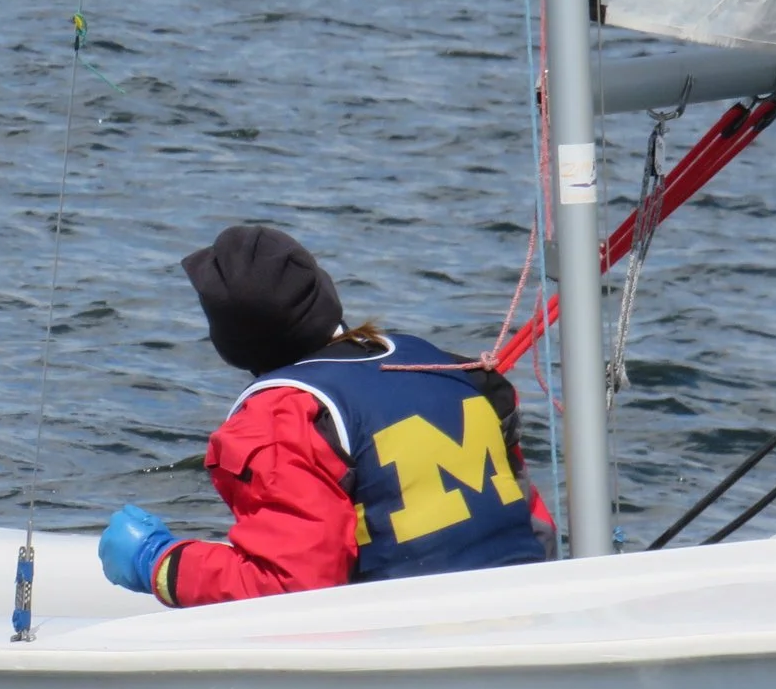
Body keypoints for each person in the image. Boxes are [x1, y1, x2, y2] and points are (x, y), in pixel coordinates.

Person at [99, 226, 554, 606]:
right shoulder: (438, 361)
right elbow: (537, 525)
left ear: (230, 342)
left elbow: (291, 589)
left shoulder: (283, 417)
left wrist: (160, 564)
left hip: (412, 644)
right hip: (527, 601)